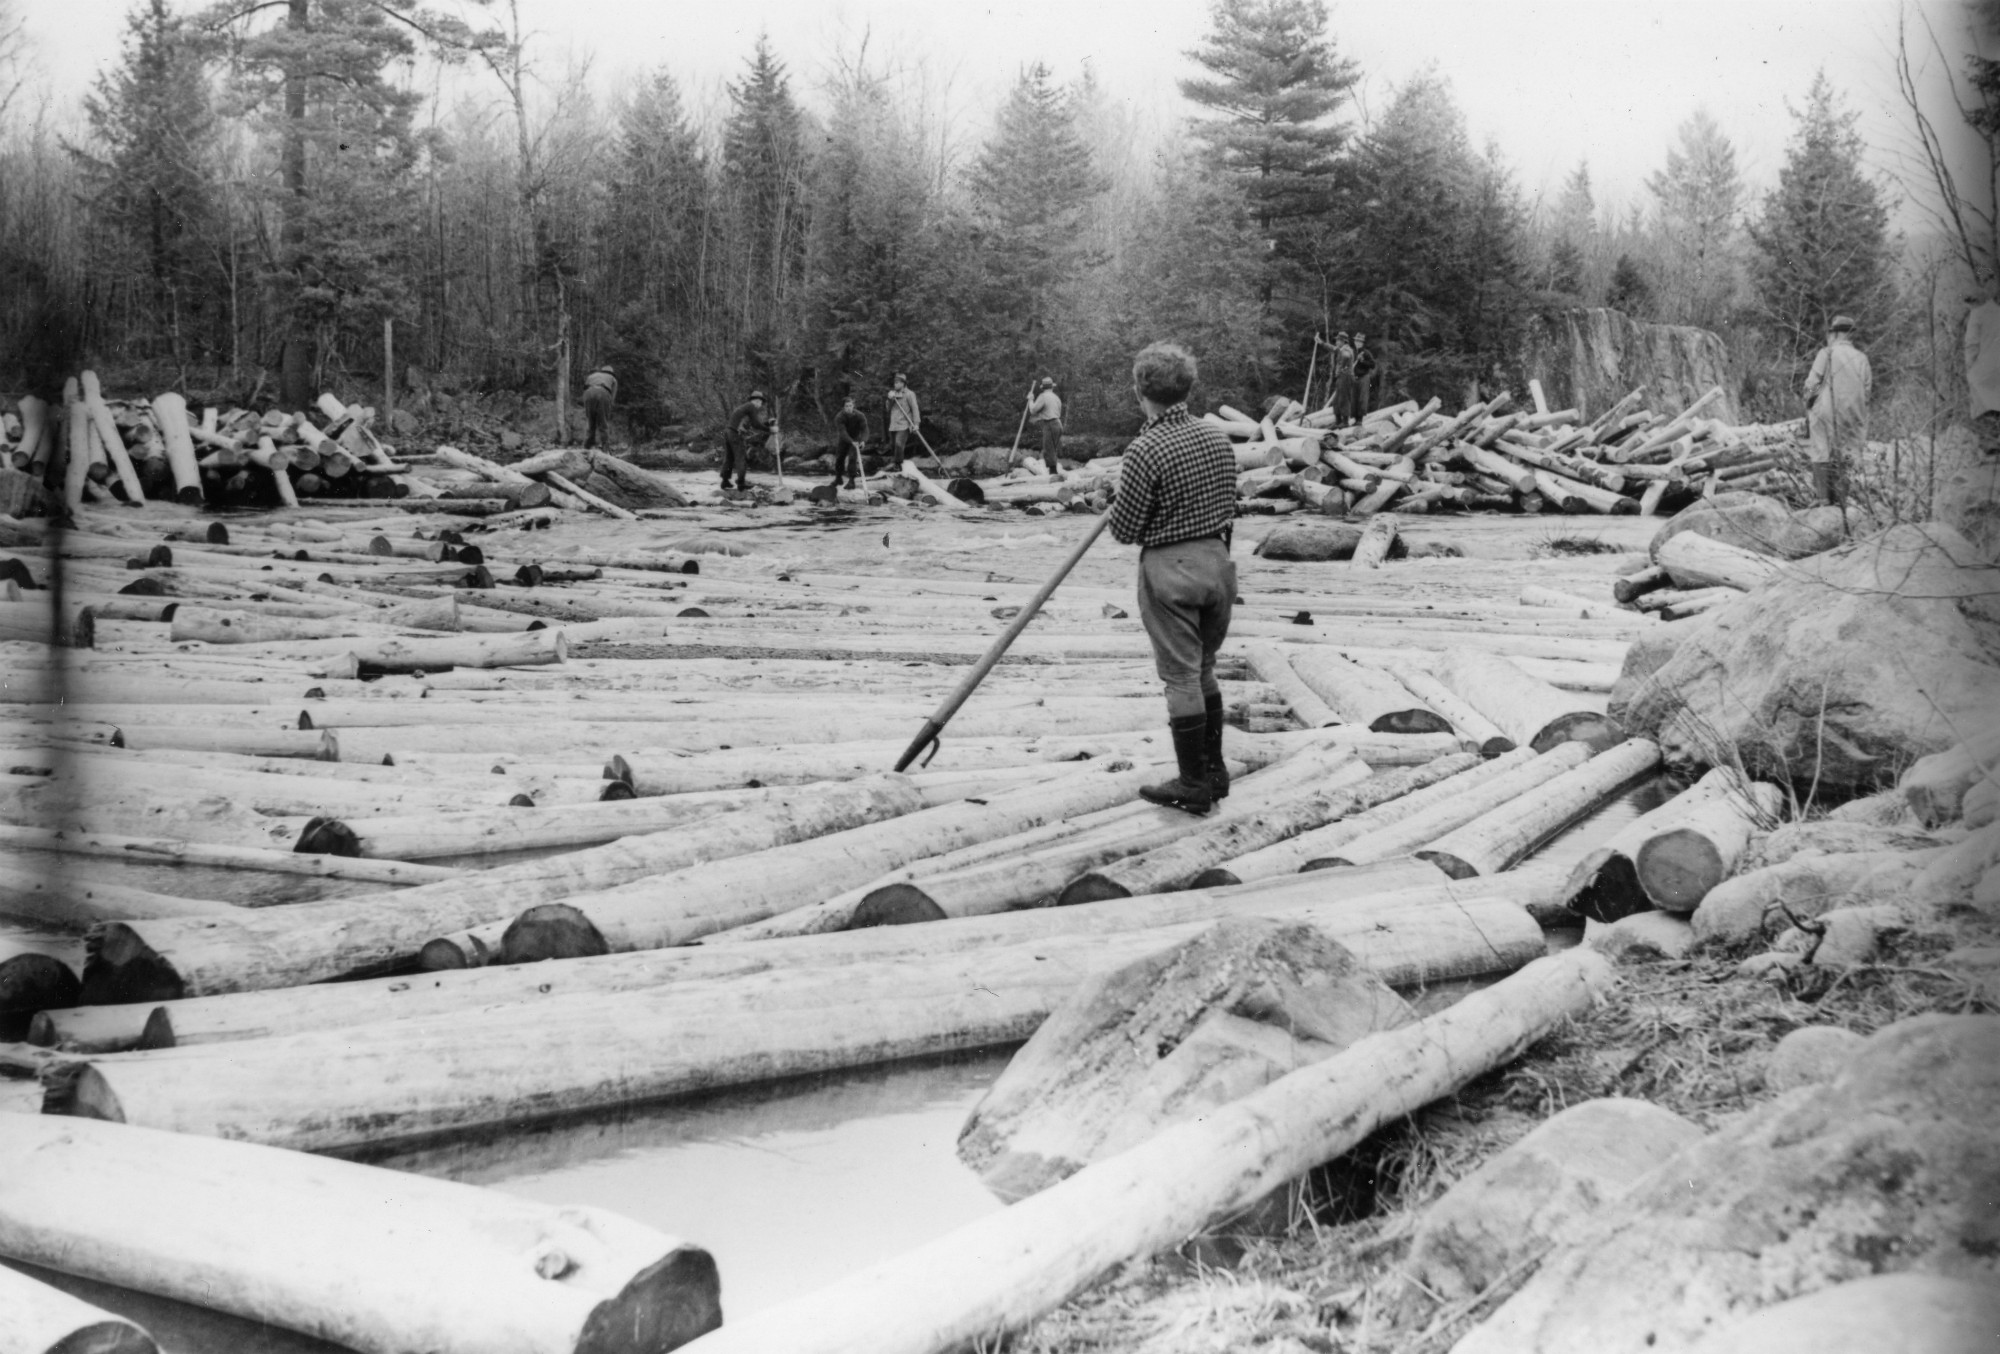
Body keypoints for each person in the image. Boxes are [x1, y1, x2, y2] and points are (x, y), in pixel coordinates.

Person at [1108, 341, 1238, 816]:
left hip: (1172, 572)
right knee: (1203, 668)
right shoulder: (1216, 438)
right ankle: (1215, 771)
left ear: (1141, 391)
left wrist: (1120, 500)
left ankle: (1192, 782)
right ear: (1187, 387)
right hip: (1218, 564)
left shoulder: (1145, 449)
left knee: (1181, 676)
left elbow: (1125, 530)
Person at [1803, 316, 1871, 506]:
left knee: (1821, 450)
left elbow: (1812, 384)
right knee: (1847, 454)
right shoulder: (1862, 359)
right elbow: (1867, 394)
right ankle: (1841, 500)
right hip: (1853, 414)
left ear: (1835, 333)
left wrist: (1809, 403)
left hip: (1826, 411)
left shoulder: (1827, 353)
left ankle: (1823, 499)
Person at [1965, 292, 2000, 455]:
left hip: (1984, 371)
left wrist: (1970, 369)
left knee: (1985, 408)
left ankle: (1989, 446)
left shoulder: (1979, 313)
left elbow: (1971, 345)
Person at [723, 390, 774, 491]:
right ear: (757, 401)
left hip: (728, 432)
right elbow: (755, 424)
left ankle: (725, 482)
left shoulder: (745, 407)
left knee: (729, 458)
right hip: (736, 434)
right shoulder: (752, 407)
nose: (761, 405)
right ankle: (741, 484)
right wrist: (770, 430)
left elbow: (752, 423)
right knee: (741, 457)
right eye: (761, 402)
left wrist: (768, 423)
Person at [1028, 377, 1064, 476]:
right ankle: (1053, 472)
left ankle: (1053, 474)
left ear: (1043, 388)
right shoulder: (1056, 397)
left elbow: (1033, 410)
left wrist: (1031, 400)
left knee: (1049, 449)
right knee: (1052, 449)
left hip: (1050, 424)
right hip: (1058, 423)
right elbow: (1053, 411)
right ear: (1051, 387)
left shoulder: (1043, 396)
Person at [831, 396, 867, 488]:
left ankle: (852, 481)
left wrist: (863, 440)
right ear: (843, 407)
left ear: (853, 406)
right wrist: (850, 441)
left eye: (850, 406)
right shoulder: (839, 417)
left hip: (856, 438)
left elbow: (865, 429)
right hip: (844, 439)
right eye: (846, 406)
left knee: (852, 458)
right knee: (839, 458)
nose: (848, 408)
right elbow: (843, 432)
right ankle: (838, 478)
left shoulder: (860, 415)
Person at [580, 366, 618, 449]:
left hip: (588, 392)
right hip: (603, 392)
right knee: (603, 422)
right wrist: (609, 405)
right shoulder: (613, 379)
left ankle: (587, 446)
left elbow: (585, 388)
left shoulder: (592, 375)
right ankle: (605, 447)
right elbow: (612, 397)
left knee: (590, 421)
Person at [886, 374, 921, 462]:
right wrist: (890, 399)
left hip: (904, 424)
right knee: (893, 445)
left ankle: (898, 465)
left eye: (897, 383)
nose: (895, 384)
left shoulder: (909, 394)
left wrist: (916, 424)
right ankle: (895, 463)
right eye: (894, 383)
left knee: (899, 444)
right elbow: (888, 409)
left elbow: (915, 409)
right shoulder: (893, 394)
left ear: (903, 383)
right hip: (893, 424)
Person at [1329, 332, 1356, 425]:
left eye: (1338, 340)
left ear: (1343, 341)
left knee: (1343, 399)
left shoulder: (1347, 349)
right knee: (1336, 400)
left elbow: (1346, 356)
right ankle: (1338, 421)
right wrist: (1321, 342)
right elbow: (1332, 348)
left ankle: (1345, 422)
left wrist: (1342, 366)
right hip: (1341, 376)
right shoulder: (1340, 349)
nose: (1336, 342)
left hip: (1346, 376)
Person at [1351, 334, 1378, 422]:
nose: (1357, 343)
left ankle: (1360, 420)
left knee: (1362, 398)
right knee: (1354, 398)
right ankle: (1355, 419)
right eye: (1356, 341)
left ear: (1362, 343)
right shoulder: (1352, 352)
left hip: (1364, 378)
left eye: (1359, 342)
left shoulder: (1366, 353)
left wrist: (1363, 361)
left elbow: (1373, 365)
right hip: (1354, 378)